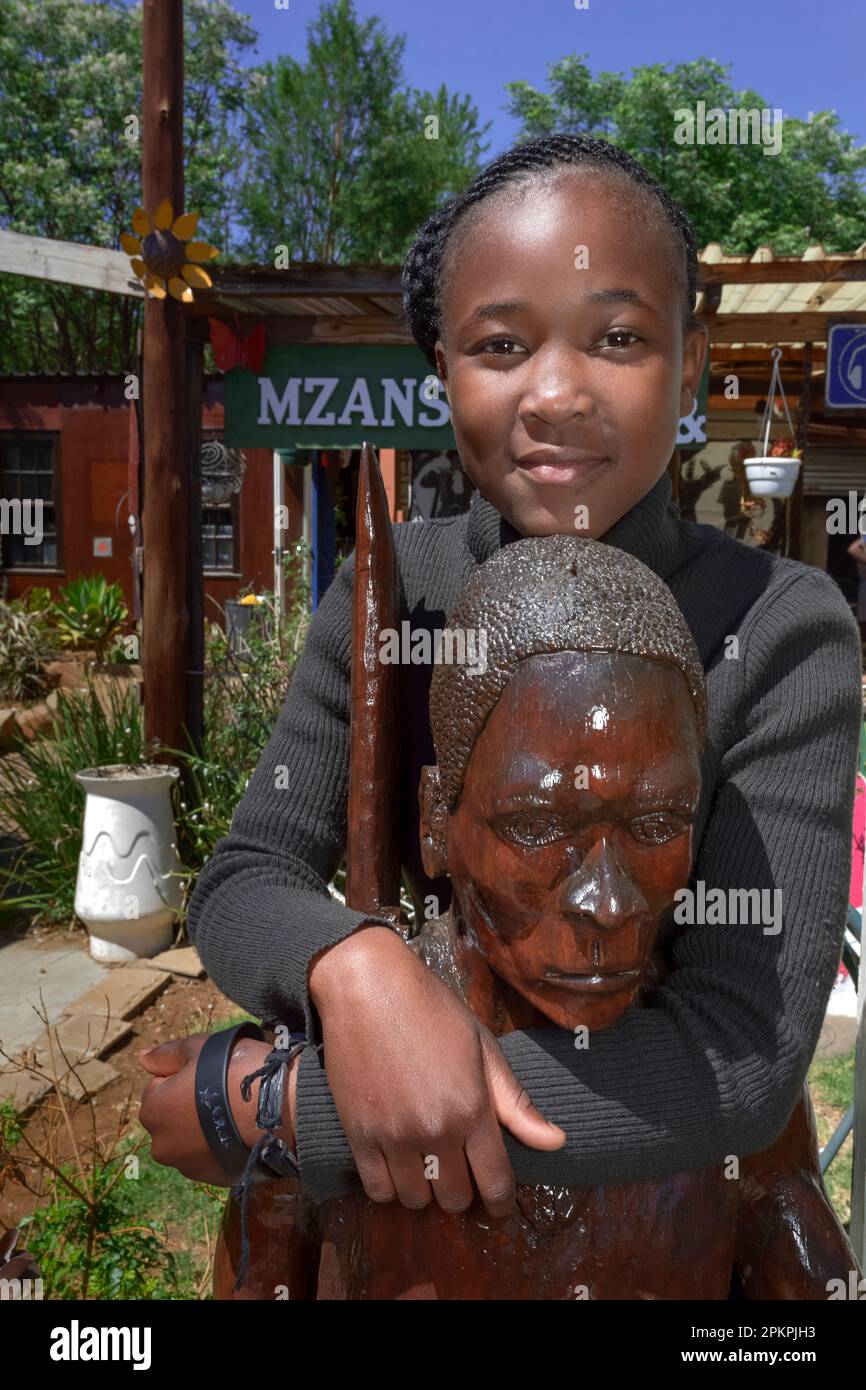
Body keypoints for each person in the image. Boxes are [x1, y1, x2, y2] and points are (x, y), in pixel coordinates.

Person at [140, 133, 862, 1240]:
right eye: (499, 345)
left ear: (688, 357)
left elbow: (739, 1056)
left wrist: (289, 1109)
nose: (558, 393)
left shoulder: (778, 627)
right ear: (442, 373)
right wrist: (351, 961)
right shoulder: (387, 600)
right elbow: (244, 878)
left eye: (617, 337)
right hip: (412, 1244)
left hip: (666, 1239)